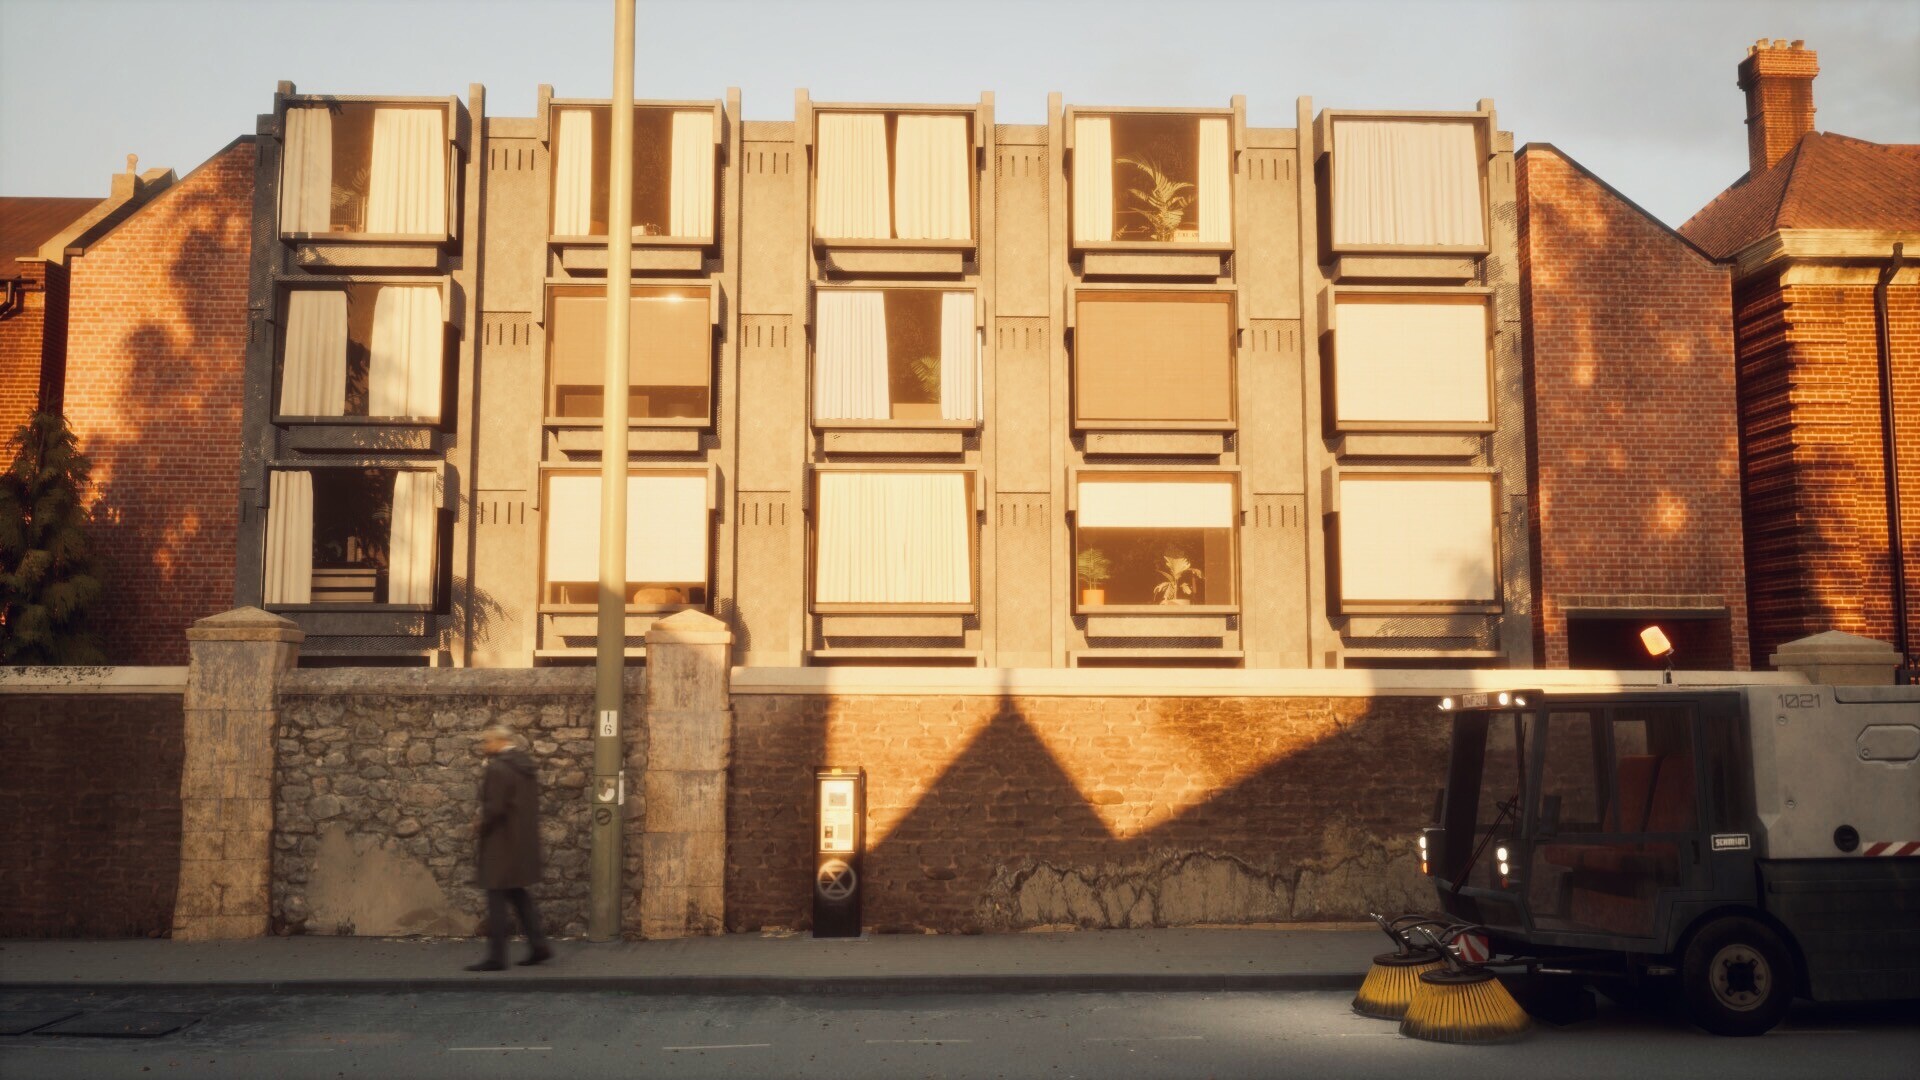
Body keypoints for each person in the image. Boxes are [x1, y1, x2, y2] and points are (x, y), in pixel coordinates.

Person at [466, 725, 553, 971]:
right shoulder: (525, 764)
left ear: (498, 742)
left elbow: (495, 808)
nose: (484, 746)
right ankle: (539, 946)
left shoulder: (497, 768)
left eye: (487, 742)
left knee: (496, 898)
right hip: (521, 843)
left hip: (500, 845)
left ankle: (496, 957)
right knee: (518, 895)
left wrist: (479, 825)